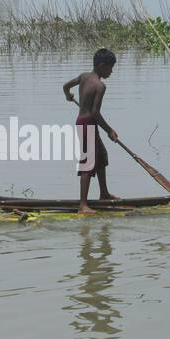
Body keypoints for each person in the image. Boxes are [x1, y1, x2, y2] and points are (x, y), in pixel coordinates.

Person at [63, 48, 118, 215]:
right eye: (110, 67)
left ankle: (104, 194)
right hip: (88, 123)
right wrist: (109, 130)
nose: (111, 71)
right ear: (102, 66)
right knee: (88, 163)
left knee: (101, 155)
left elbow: (66, 86)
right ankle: (83, 205)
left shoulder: (84, 77)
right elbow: (95, 112)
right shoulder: (100, 86)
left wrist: (68, 95)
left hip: (82, 122)